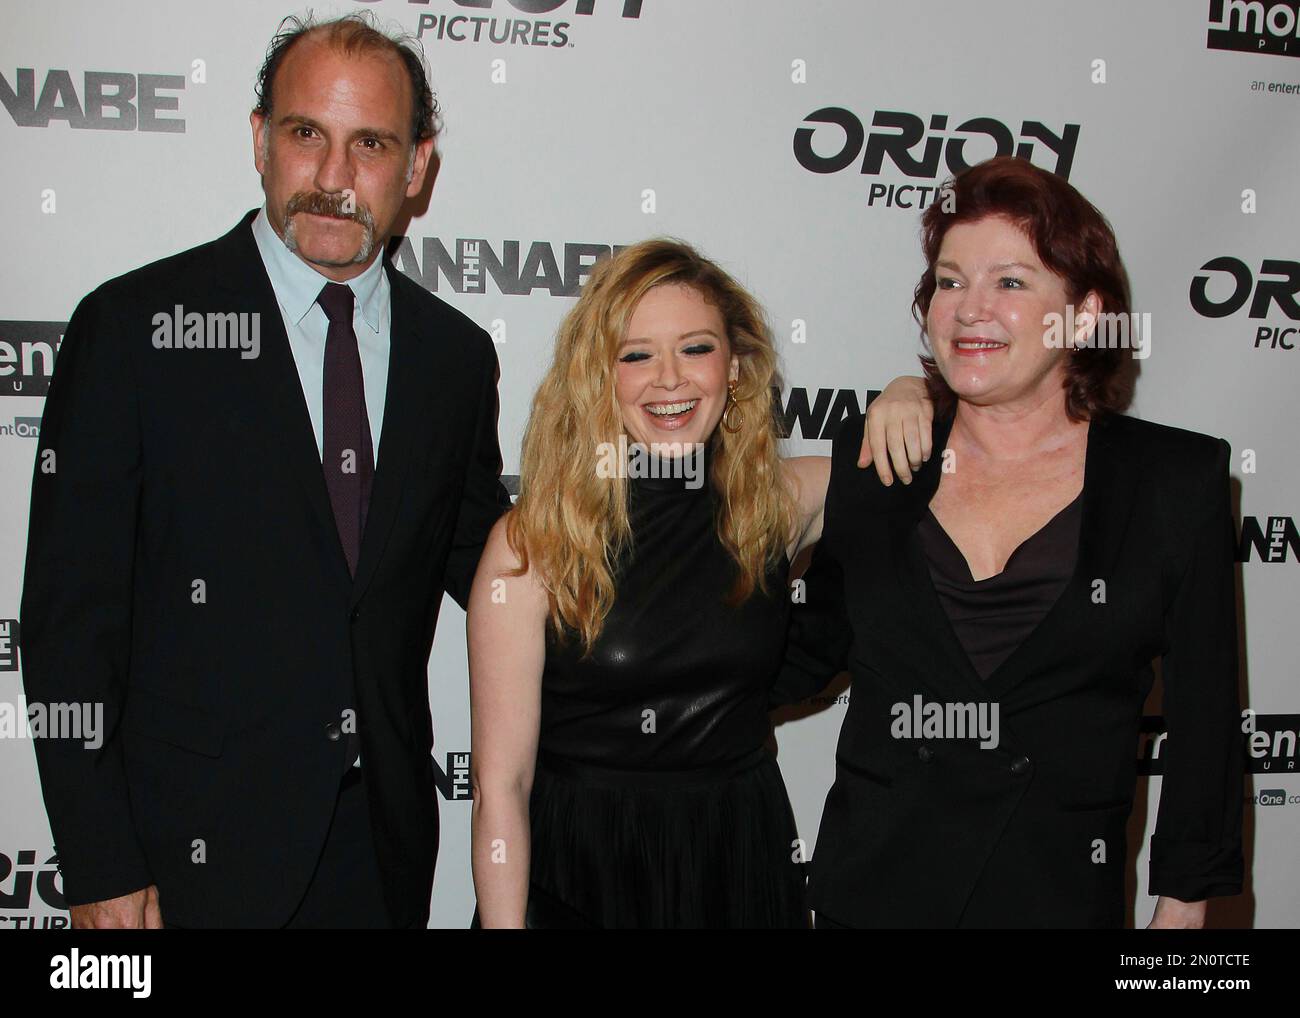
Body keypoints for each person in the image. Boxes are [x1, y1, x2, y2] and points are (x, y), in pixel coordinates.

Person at [19, 13, 511, 929]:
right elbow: (67, 626)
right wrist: (96, 862)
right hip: (179, 861)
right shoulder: (134, 330)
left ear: (417, 166)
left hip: (380, 855)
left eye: (370, 143)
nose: (333, 179)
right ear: (259, 140)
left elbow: (493, 566)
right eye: (304, 135)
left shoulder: (454, 356)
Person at [772, 156, 1244, 929]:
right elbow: (799, 656)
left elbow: (1204, 725)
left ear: (1085, 316)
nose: (968, 309)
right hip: (875, 897)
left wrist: (1183, 911)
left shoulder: (1173, 482)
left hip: (1054, 898)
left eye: (1012, 282)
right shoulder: (881, 460)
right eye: (950, 281)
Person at [467, 238, 927, 928]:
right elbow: (501, 787)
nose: (670, 379)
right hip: (582, 872)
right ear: (601, 376)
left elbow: (938, 459)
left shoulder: (772, 504)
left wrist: (912, 391)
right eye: (636, 354)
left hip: (736, 860)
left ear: (736, 368)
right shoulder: (532, 545)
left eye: (696, 348)